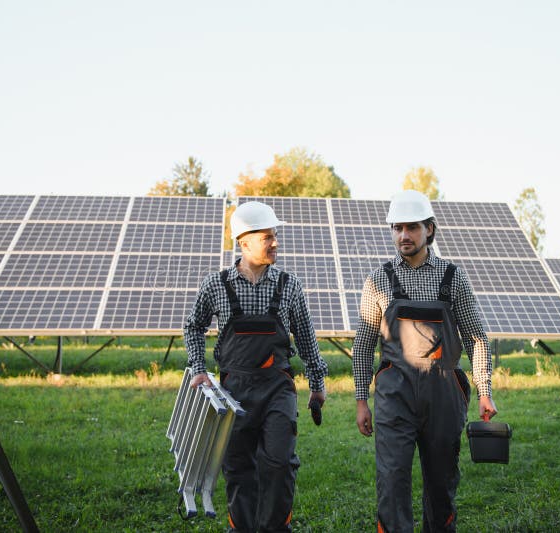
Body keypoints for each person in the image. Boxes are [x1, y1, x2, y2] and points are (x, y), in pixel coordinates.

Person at [352, 189, 498, 532]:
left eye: (412, 228)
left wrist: (484, 391)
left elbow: (477, 337)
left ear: (429, 230)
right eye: (397, 228)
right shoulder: (378, 280)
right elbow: (363, 345)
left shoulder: (453, 277)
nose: (404, 235)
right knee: (391, 479)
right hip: (394, 393)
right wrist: (361, 400)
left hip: (444, 393)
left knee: (441, 482)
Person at [184, 200, 328, 533]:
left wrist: (317, 385)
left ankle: (275, 528)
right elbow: (193, 326)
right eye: (268, 237)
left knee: (279, 463)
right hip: (233, 391)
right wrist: (198, 368)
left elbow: (306, 337)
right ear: (244, 241)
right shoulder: (216, 285)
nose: (276, 242)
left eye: (275, 235)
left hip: (278, 388)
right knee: (237, 468)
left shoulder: (289, 285)